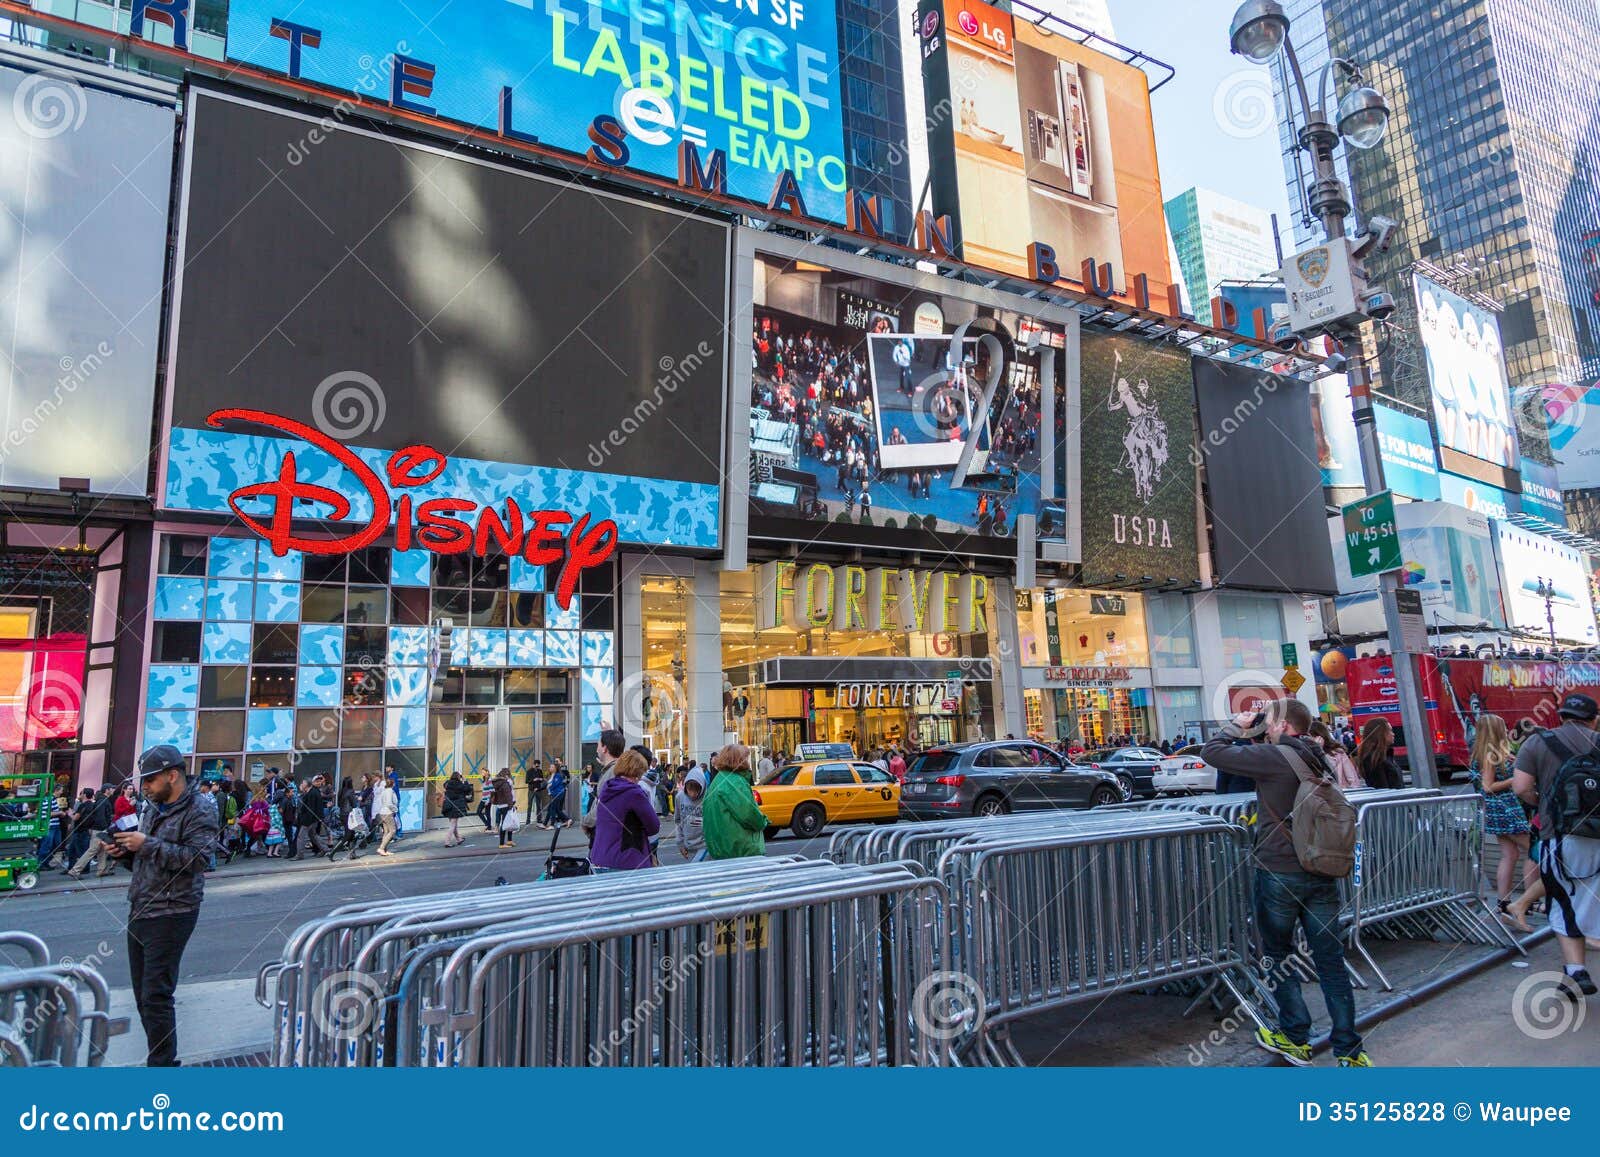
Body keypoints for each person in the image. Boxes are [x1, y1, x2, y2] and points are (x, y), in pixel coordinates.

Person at [1201, 701, 1371, 1068]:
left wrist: (1238, 725)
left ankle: (1295, 1038)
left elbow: (1212, 753)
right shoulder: (1318, 756)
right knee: (1331, 961)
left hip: (1280, 869)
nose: (1266, 728)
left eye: (1271, 723)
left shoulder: (1275, 756)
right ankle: (1350, 1051)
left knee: (1278, 956)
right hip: (1322, 868)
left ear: (1283, 725)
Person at [107, 744, 218, 1067]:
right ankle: (160, 1058)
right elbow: (152, 859)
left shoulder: (200, 808)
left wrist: (147, 844)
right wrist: (126, 852)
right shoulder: (152, 808)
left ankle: (163, 1065)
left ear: (173, 776)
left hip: (174, 910)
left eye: (150, 781)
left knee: (156, 994)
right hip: (142, 905)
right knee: (144, 995)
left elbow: (197, 860)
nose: (144, 788)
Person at [1512, 693, 1600, 996]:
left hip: (1559, 835)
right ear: (1594, 718)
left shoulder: (1537, 743)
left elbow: (1521, 787)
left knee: (1564, 900)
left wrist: (1544, 804)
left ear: (1561, 716)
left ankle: (1576, 969)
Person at [1471, 714, 1539, 927]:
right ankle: (1529, 900)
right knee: (1535, 849)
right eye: (1503, 725)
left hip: (1500, 809)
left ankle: (1504, 903)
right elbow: (1487, 786)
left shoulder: (1488, 753)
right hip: (1504, 810)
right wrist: (1513, 779)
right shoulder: (1491, 753)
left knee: (1510, 854)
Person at [590, 750, 661, 872]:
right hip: (625, 861)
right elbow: (654, 826)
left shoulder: (607, 788)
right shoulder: (634, 792)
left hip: (599, 859)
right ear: (636, 772)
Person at [701, 743, 768, 860]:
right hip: (741, 850)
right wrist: (763, 821)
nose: (747, 761)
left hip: (722, 849)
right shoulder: (735, 782)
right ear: (739, 760)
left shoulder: (719, 780)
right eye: (745, 758)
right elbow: (749, 814)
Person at [580, 729, 627, 844]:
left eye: (598, 745)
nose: (597, 749)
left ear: (605, 748)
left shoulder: (613, 773)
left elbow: (603, 806)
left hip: (607, 837)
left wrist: (586, 821)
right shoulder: (616, 769)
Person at [1309, 721, 1363, 790]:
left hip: (1340, 792)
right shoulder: (1308, 754)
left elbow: (1352, 777)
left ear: (1320, 737)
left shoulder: (1338, 752)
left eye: (1311, 736)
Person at [288, 774, 330, 858]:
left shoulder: (312, 793)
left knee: (301, 836)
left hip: (308, 820)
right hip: (312, 819)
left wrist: (306, 821)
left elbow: (310, 809)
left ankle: (300, 855)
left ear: (307, 784)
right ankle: (325, 849)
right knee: (313, 835)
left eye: (303, 783)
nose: (302, 784)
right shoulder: (312, 792)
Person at [1356, 719, 1405, 790]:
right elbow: (1382, 788)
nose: (1393, 734)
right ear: (1380, 734)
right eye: (1390, 731)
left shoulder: (1386, 755)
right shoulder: (1373, 759)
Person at [675, 767, 708, 862]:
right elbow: (677, 821)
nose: (693, 794)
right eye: (690, 789)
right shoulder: (679, 797)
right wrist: (680, 844)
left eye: (697, 790)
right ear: (685, 786)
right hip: (688, 845)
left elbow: (716, 823)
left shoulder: (708, 798)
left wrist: (704, 823)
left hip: (705, 846)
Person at [370, 772, 398, 857]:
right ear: (392, 784)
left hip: (382, 812)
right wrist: (395, 810)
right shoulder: (390, 791)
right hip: (388, 813)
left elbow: (381, 801)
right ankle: (381, 848)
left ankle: (384, 850)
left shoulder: (384, 791)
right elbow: (389, 803)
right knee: (393, 830)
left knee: (386, 831)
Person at [442, 769, 471, 846]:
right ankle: (447, 842)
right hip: (456, 807)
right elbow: (467, 789)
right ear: (458, 777)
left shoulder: (447, 784)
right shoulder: (459, 784)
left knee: (453, 824)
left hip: (448, 806)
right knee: (453, 825)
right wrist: (465, 780)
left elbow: (444, 785)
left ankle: (458, 839)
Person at [491, 767, 516, 849]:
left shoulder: (497, 783)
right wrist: (511, 805)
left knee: (507, 823)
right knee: (505, 824)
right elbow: (508, 795)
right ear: (506, 775)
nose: (508, 776)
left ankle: (509, 840)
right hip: (506, 805)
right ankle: (502, 843)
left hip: (500, 805)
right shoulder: (505, 784)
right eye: (508, 775)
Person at [543, 762, 571, 828]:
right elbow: (548, 783)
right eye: (550, 767)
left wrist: (549, 785)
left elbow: (555, 785)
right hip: (553, 794)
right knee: (557, 809)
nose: (550, 768)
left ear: (556, 768)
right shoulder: (551, 775)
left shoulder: (558, 775)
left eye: (552, 767)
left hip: (557, 794)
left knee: (552, 808)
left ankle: (551, 825)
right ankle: (568, 820)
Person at [525, 760, 546, 826]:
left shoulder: (540, 771)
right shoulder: (529, 771)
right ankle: (528, 821)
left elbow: (542, 779)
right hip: (531, 790)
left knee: (538, 805)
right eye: (536, 766)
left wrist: (540, 779)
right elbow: (526, 781)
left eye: (538, 766)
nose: (537, 767)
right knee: (529, 806)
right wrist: (533, 780)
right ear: (533, 765)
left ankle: (539, 820)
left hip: (538, 789)